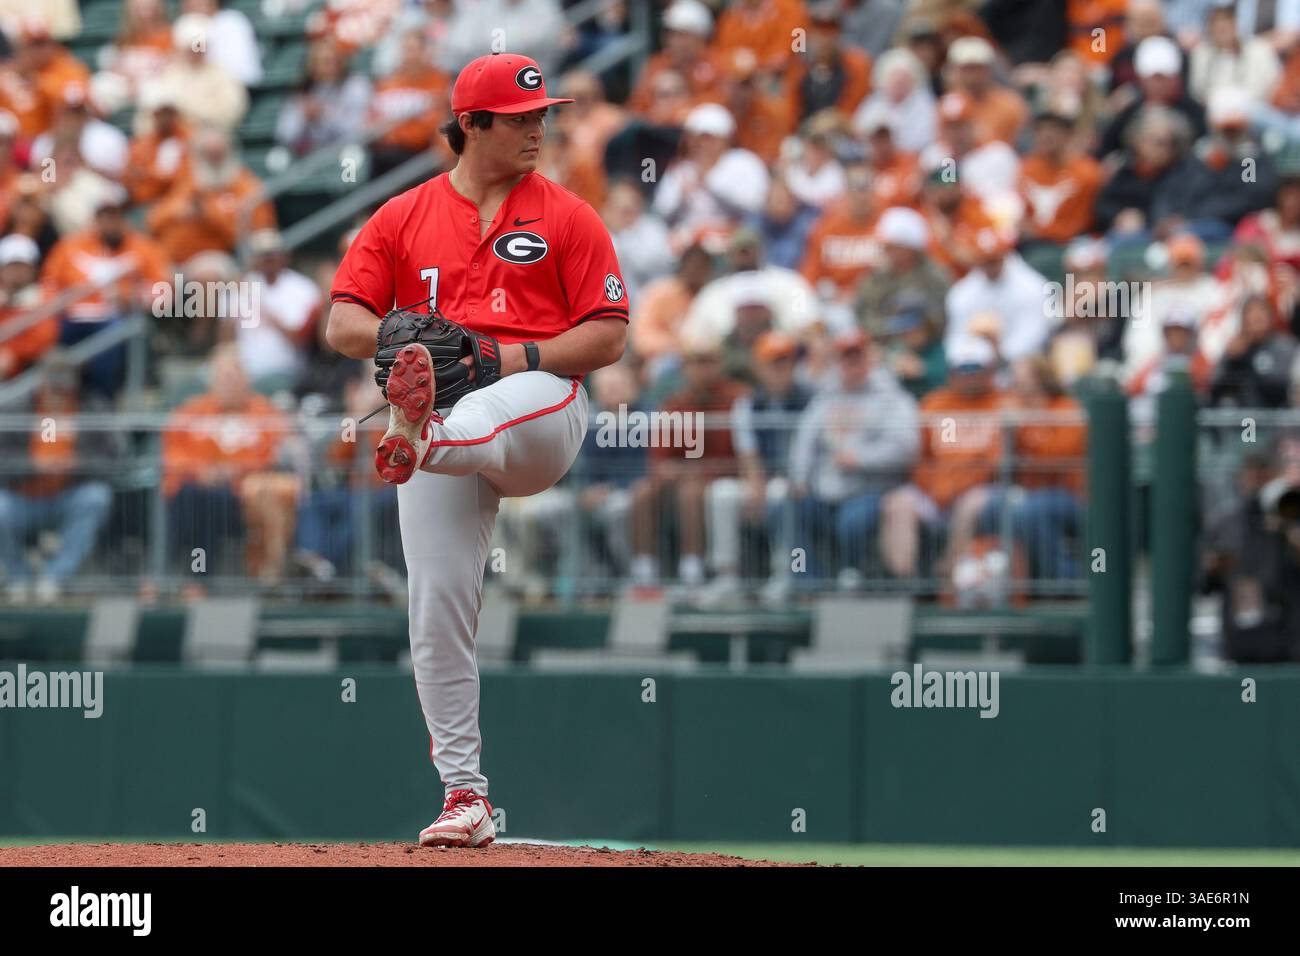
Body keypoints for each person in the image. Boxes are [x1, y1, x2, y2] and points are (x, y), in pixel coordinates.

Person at [324, 53, 627, 848]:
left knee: (483, 400)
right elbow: (343, 322)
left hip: (540, 411)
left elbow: (609, 333)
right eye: (520, 116)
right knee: (437, 602)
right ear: (471, 124)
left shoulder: (567, 214)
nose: (538, 127)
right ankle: (465, 796)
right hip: (435, 432)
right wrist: (397, 334)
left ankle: (418, 431)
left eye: (542, 114)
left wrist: (505, 355)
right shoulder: (401, 216)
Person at [787, 328, 919, 589]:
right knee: (790, 509)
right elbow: (804, 442)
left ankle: (854, 574)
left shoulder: (892, 398)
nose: (851, 364)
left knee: (853, 520)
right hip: (825, 488)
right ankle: (804, 581)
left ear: (868, 360)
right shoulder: (825, 397)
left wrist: (860, 458)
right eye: (845, 358)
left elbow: (905, 447)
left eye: (856, 357)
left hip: (872, 488)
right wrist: (799, 478)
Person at [0, 354, 118, 603]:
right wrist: (32, 466)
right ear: (41, 379)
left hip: (69, 494)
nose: (58, 387)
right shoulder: (15, 407)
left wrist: (78, 464)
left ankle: (54, 578)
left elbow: (111, 458)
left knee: (96, 497)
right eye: (53, 378)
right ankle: (18, 579)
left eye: (64, 379)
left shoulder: (92, 407)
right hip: (23, 496)